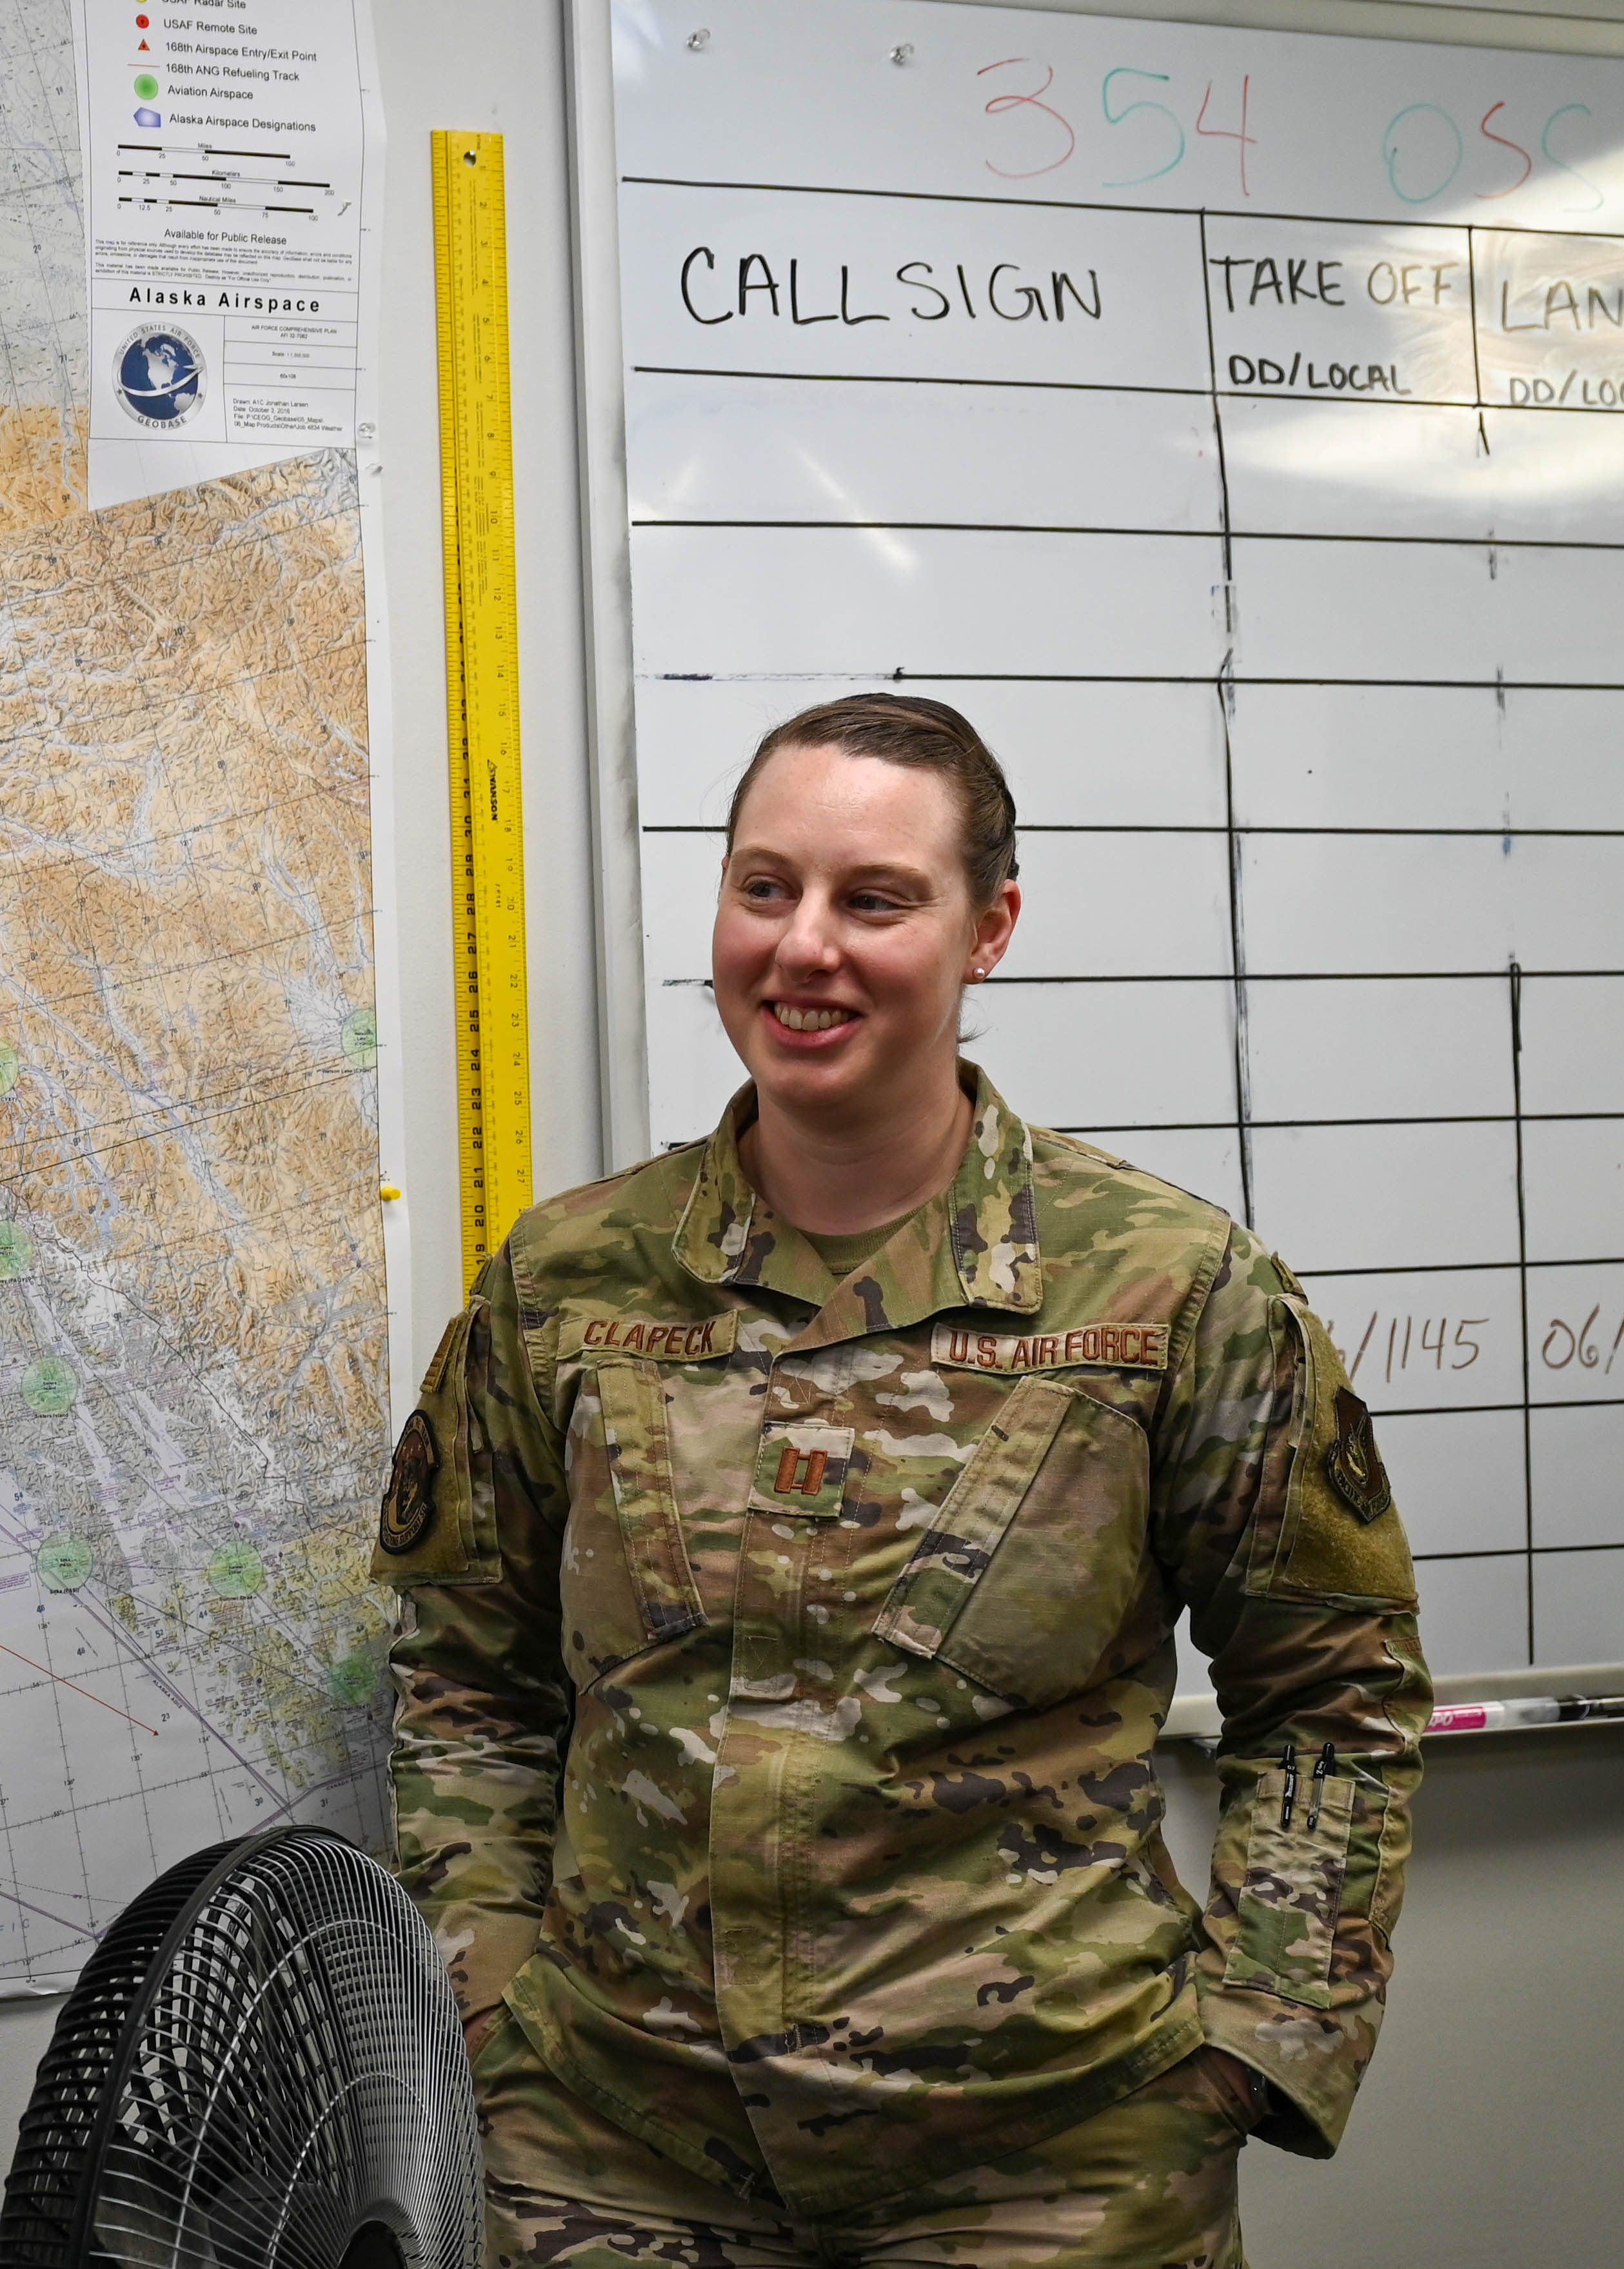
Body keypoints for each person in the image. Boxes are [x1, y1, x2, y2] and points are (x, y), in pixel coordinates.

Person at [375, 695, 1425, 2268]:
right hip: (615, 2150)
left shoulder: (1167, 1285)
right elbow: (463, 1670)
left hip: (1047, 2165)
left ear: (987, 929)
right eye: (762, 887)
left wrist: (1255, 2038)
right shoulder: (568, 1279)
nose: (804, 948)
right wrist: (480, 1988)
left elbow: (1334, 1691)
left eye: (874, 899)